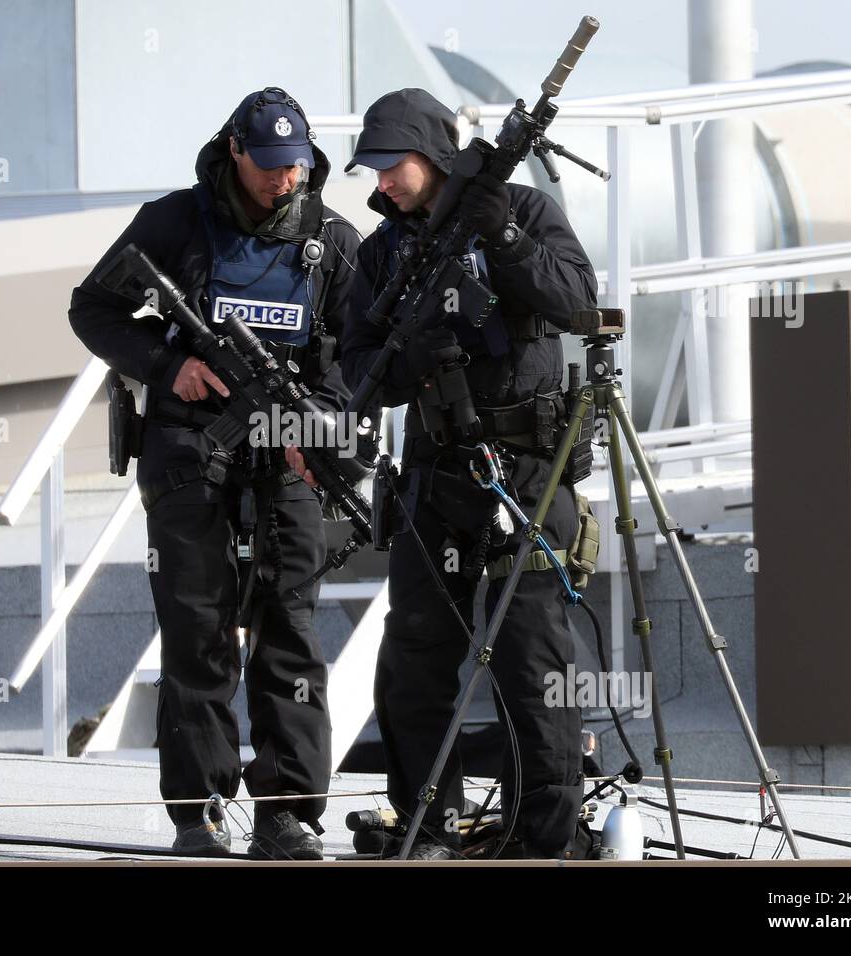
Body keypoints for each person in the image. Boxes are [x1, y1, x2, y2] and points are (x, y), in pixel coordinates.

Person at [68, 88, 360, 859]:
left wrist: (320, 426)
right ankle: (195, 815)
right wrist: (170, 366)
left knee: (289, 628)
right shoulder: (173, 222)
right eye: (268, 166)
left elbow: (358, 354)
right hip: (192, 446)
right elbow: (92, 309)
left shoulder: (332, 240)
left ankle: (287, 813)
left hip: (287, 448)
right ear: (234, 150)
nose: (283, 181)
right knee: (196, 630)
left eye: (295, 167)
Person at [331, 88, 598, 859]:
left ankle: (543, 837)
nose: (378, 183)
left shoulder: (524, 208)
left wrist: (504, 237)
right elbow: (356, 368)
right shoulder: (383, 253)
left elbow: (578, 302)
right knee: (416, 650)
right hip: (436, 475)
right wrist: (408, 363)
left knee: (530, 652)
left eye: (390, 166)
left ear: (433, 155)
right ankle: (424, 823)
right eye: (371, 170)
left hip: (530, 470)